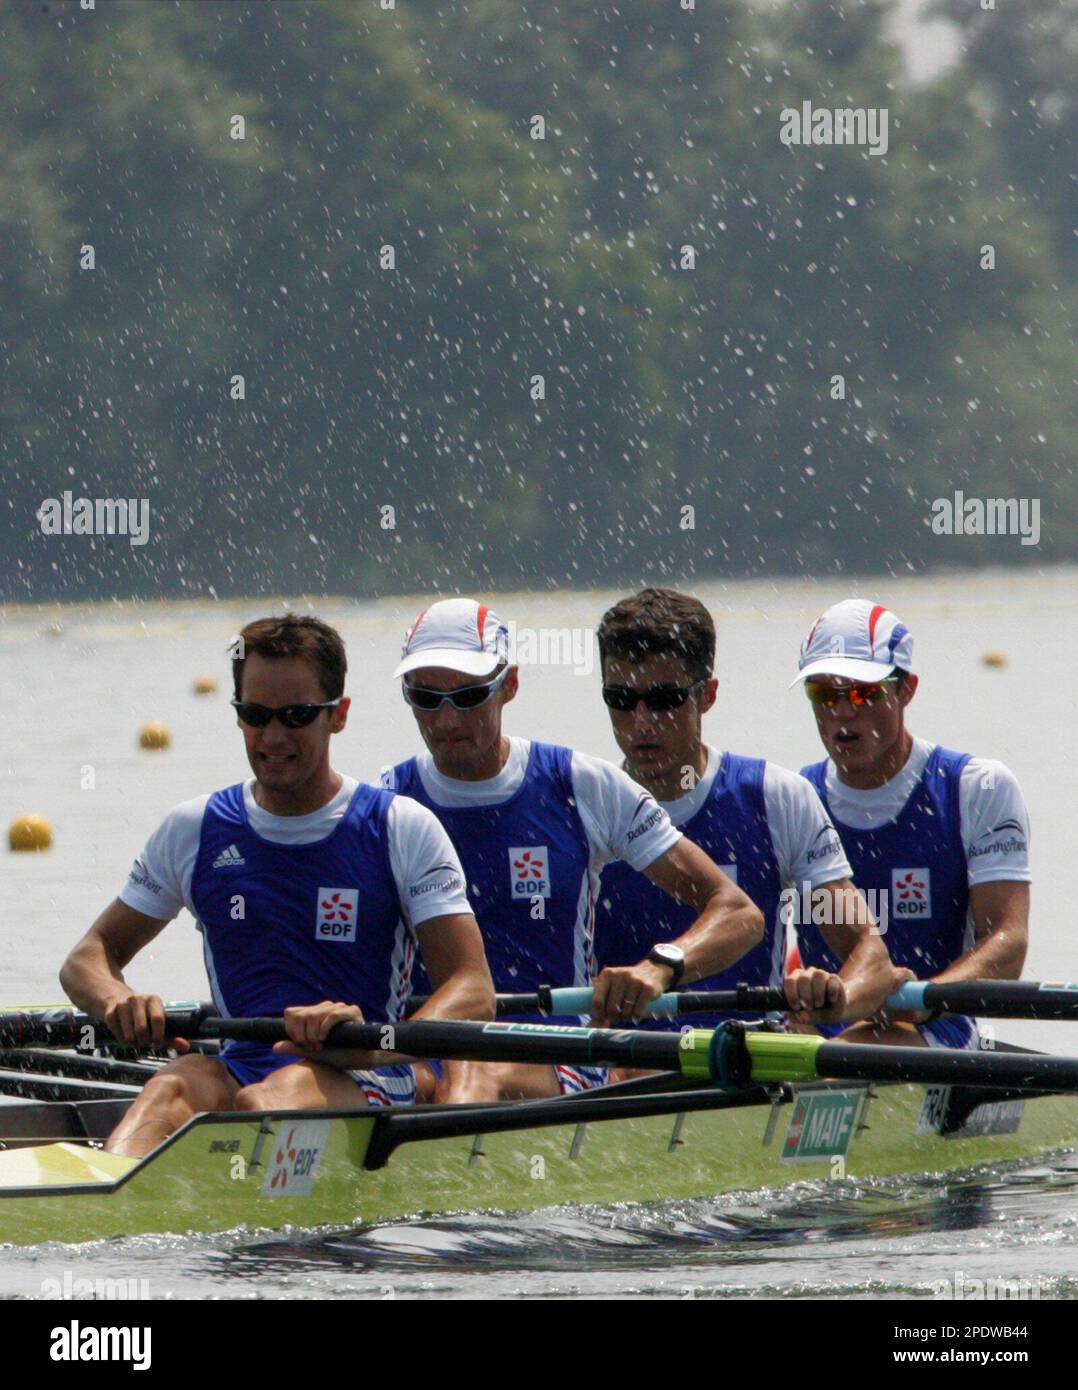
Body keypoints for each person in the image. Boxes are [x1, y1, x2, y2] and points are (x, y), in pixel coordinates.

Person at [60, 615, 494, 1157]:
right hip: (239, 1067)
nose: (272, 737)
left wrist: (373, 1047)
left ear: (338, 716)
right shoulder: (194, 829)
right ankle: (99, 1206)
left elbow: (473, 990)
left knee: (273, 1099)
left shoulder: (400, 828)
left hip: (367, 1077)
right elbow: (87, 958)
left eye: (295, 716)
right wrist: (117, 1000)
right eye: (255, 715)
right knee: (168, 1087)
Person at [382, 597, 765, 1103]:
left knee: (473, 1076)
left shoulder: (579, 784)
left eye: (469, 696)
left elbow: (738, 912)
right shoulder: (385, 802)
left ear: (509, 685)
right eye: (426, 697)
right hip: (426, 1049)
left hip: (557, 1049)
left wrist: (659, 967)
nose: (447, 719)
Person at [593, 588, 892, 1035]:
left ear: (707, 695)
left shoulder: (776, 797)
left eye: (663, 699)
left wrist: (836, 997)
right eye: (620, 699)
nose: (641, 723)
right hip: (621, 1063)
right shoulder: (584, 804)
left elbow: (870, 954)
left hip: (744, 1060)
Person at [790, 598, 1031, 1047]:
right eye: (824, 693)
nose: (842, 712)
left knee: (862, 1044)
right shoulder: (794, 797)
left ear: (906, 690)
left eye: (862, 691)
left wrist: (925, 997)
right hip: (817, 1037)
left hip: (936, 1027)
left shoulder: (976, 788)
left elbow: (1008, 944)